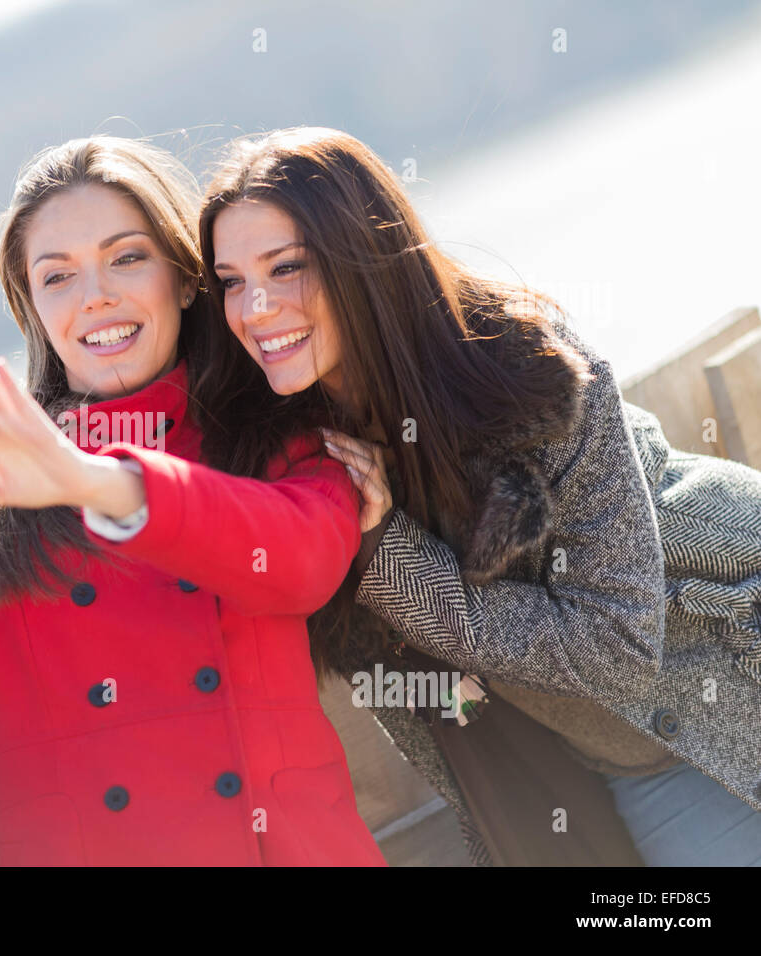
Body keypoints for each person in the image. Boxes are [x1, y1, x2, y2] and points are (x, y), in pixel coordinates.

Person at [0, 134, 386, 866]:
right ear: (32, 308)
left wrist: (93, 480)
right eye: (57, 277)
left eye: (126, 257)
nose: (96, 297)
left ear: (184, 278)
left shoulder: (275, 437)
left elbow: (300, 563)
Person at [192, 125, 761, 866]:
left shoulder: (528, 374)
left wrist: (393, 555)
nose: (254, 307)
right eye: (231, 280)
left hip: (734, 655)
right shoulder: (298, 459)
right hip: (636, 768)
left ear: (361, 259)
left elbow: (616, 645)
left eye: (287, 267)